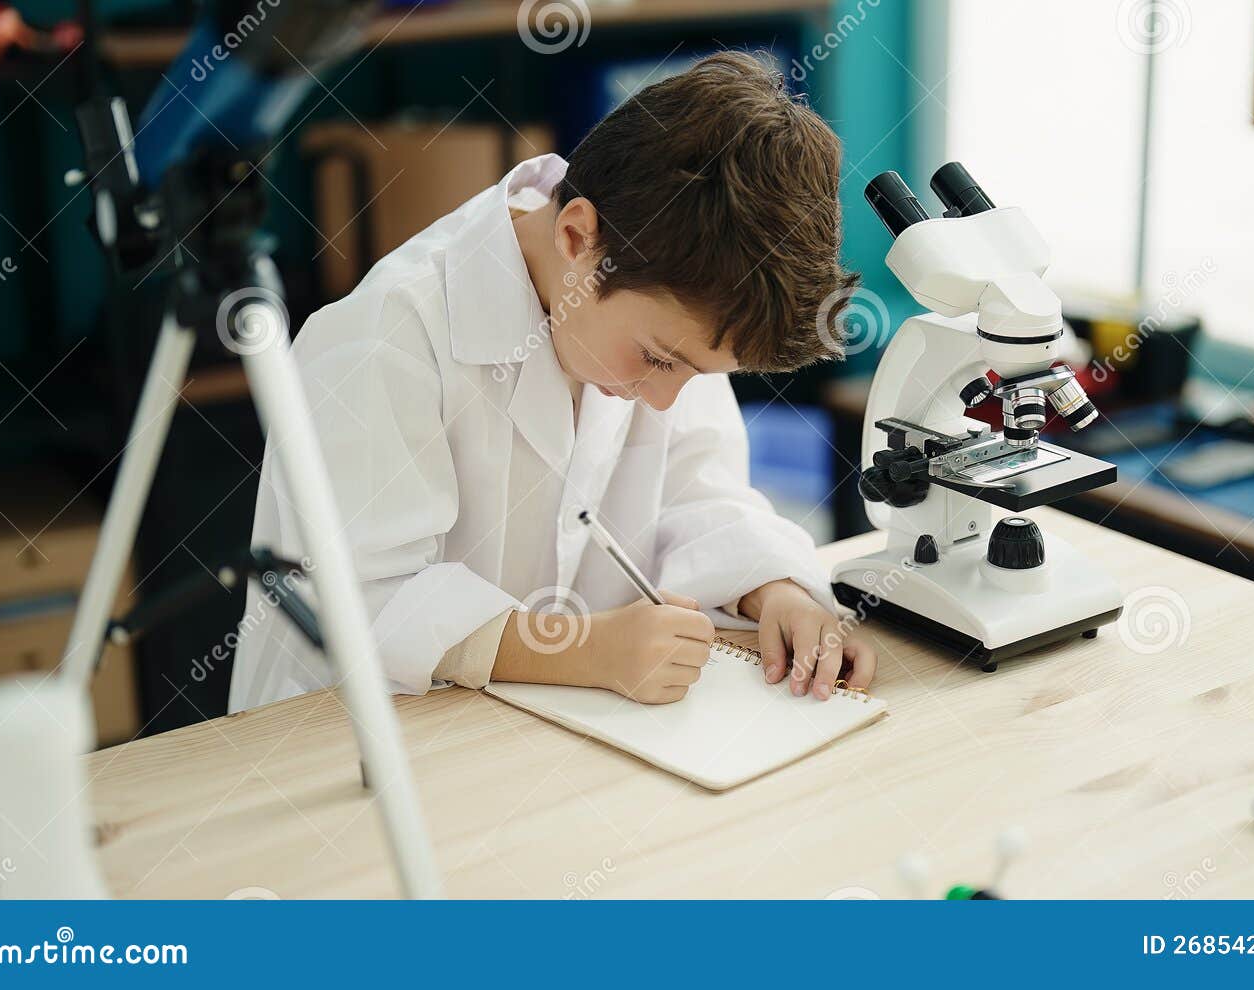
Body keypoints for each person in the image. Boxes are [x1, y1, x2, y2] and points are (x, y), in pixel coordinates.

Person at [230, 52, 876, 713]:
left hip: (551, 731)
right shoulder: (383, 340)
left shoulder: (669, 298)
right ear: (577, 238)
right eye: (658, 361)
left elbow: (697, 495)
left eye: (697, 374)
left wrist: (776, 591)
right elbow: (362, 601)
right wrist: (587, 652)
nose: (665, 397)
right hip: (347, 751)